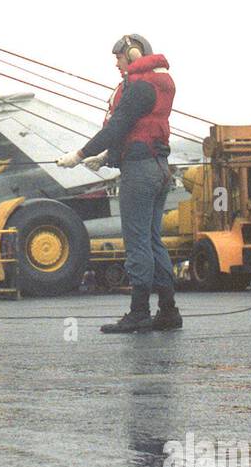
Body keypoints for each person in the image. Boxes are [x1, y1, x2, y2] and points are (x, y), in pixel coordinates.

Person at [57, 34, 181, 333]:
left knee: (137, 241)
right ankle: (168, 311)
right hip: (159, 167)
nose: (116, 64)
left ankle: (139, 313)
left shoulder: (138, 87)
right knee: (153, 240)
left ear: (134, 54)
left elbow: (118, 126)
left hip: (139, 171)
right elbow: (137, 130)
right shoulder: (160, 84)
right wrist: (106, 157)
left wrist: (81, 154)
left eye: (119, 58)